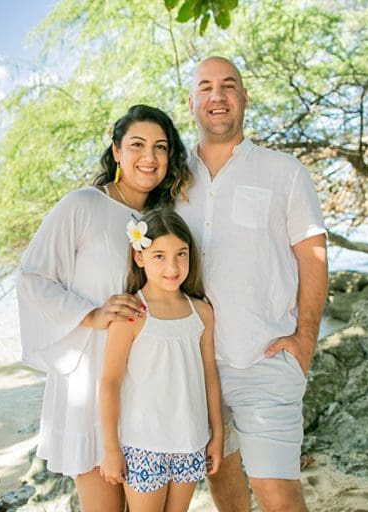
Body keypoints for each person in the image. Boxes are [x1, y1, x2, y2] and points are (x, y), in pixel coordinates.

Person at [16, 104, 193, 512]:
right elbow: (32, 278)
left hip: (148, 385)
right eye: (137, 145)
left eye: (161, 147)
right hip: (93, 380)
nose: (149, 157)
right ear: (116, 151)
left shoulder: (164, 219)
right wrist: (90, 314)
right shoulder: (82, 205)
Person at [174, 57, 329, 512]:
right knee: (222, 483)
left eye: (228, 86)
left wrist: (304, 339)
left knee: (279, 496)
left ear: (244, 97)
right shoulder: (171, 178)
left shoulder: (284, 171)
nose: (217, 96)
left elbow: (313, 258)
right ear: (191, 102)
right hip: (193, 366)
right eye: (206, 87)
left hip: (264, 359)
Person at [98, 208, 224, 512]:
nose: (172, 266)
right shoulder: (132, 313)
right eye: (159, 256)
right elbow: (110, 382)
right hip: (143, 445)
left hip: (190, 442)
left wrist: (217, 434)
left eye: (181, 254)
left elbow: (209, 376)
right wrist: (111, 448)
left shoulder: (201, 312)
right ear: (139, 257)